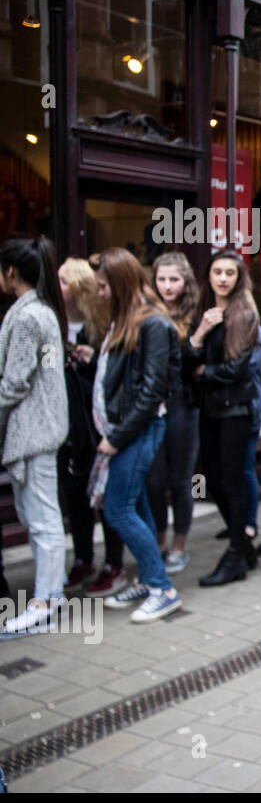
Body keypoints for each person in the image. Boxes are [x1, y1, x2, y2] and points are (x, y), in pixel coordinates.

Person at [89, 248, 182, 623]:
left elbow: (152, 391)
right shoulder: (126, 321)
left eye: (102, 285)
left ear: (120, 283)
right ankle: (149, 578)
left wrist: (117, 437)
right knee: (136, 504)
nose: (99, 292)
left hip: (137, 430)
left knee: (118, 509)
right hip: (126, 428)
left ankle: (163, 588)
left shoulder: (153, 325)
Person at [0, 238, 70, 634]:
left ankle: (47, 602)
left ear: (11, 271)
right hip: (41, 429)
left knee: (42, 520)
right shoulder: (42, 313)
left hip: (34, 432)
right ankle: (51, 597)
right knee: (40, 517)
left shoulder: (29, 317)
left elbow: (14, 382)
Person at [185, 252, 261, 586]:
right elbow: (186, 362)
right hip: (209, 409)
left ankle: (235, 554)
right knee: (212, 481)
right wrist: (201, 331)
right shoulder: (205, 313)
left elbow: (237, 369)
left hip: (236, 410)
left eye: (230, 272)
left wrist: (207, 371)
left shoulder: (243, 314)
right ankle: (243, 545)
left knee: (230, 481)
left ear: (238, 277)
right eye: (217, 271)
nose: (223, 278)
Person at [57, 257, 122, 595]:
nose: (58, 287)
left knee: (105, 496)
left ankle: (114, 562)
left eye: (64, 282)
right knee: (75, 496)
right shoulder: (51, 323)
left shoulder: (100, 327)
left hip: (96, 426)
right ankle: (83, 557)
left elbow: (114, 377)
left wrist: (88, 360)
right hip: (65, 427)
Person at [145, 252, 201, 576]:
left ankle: (180, 544)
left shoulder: (194, 315)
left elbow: (193, 362)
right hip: (152, 404)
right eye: (162, 279)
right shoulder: (146, 312)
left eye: (174, 279)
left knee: (182, 479)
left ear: (185, 281)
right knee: (153, 480)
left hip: (183, 402)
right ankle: (159, 540)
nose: (167, 286)